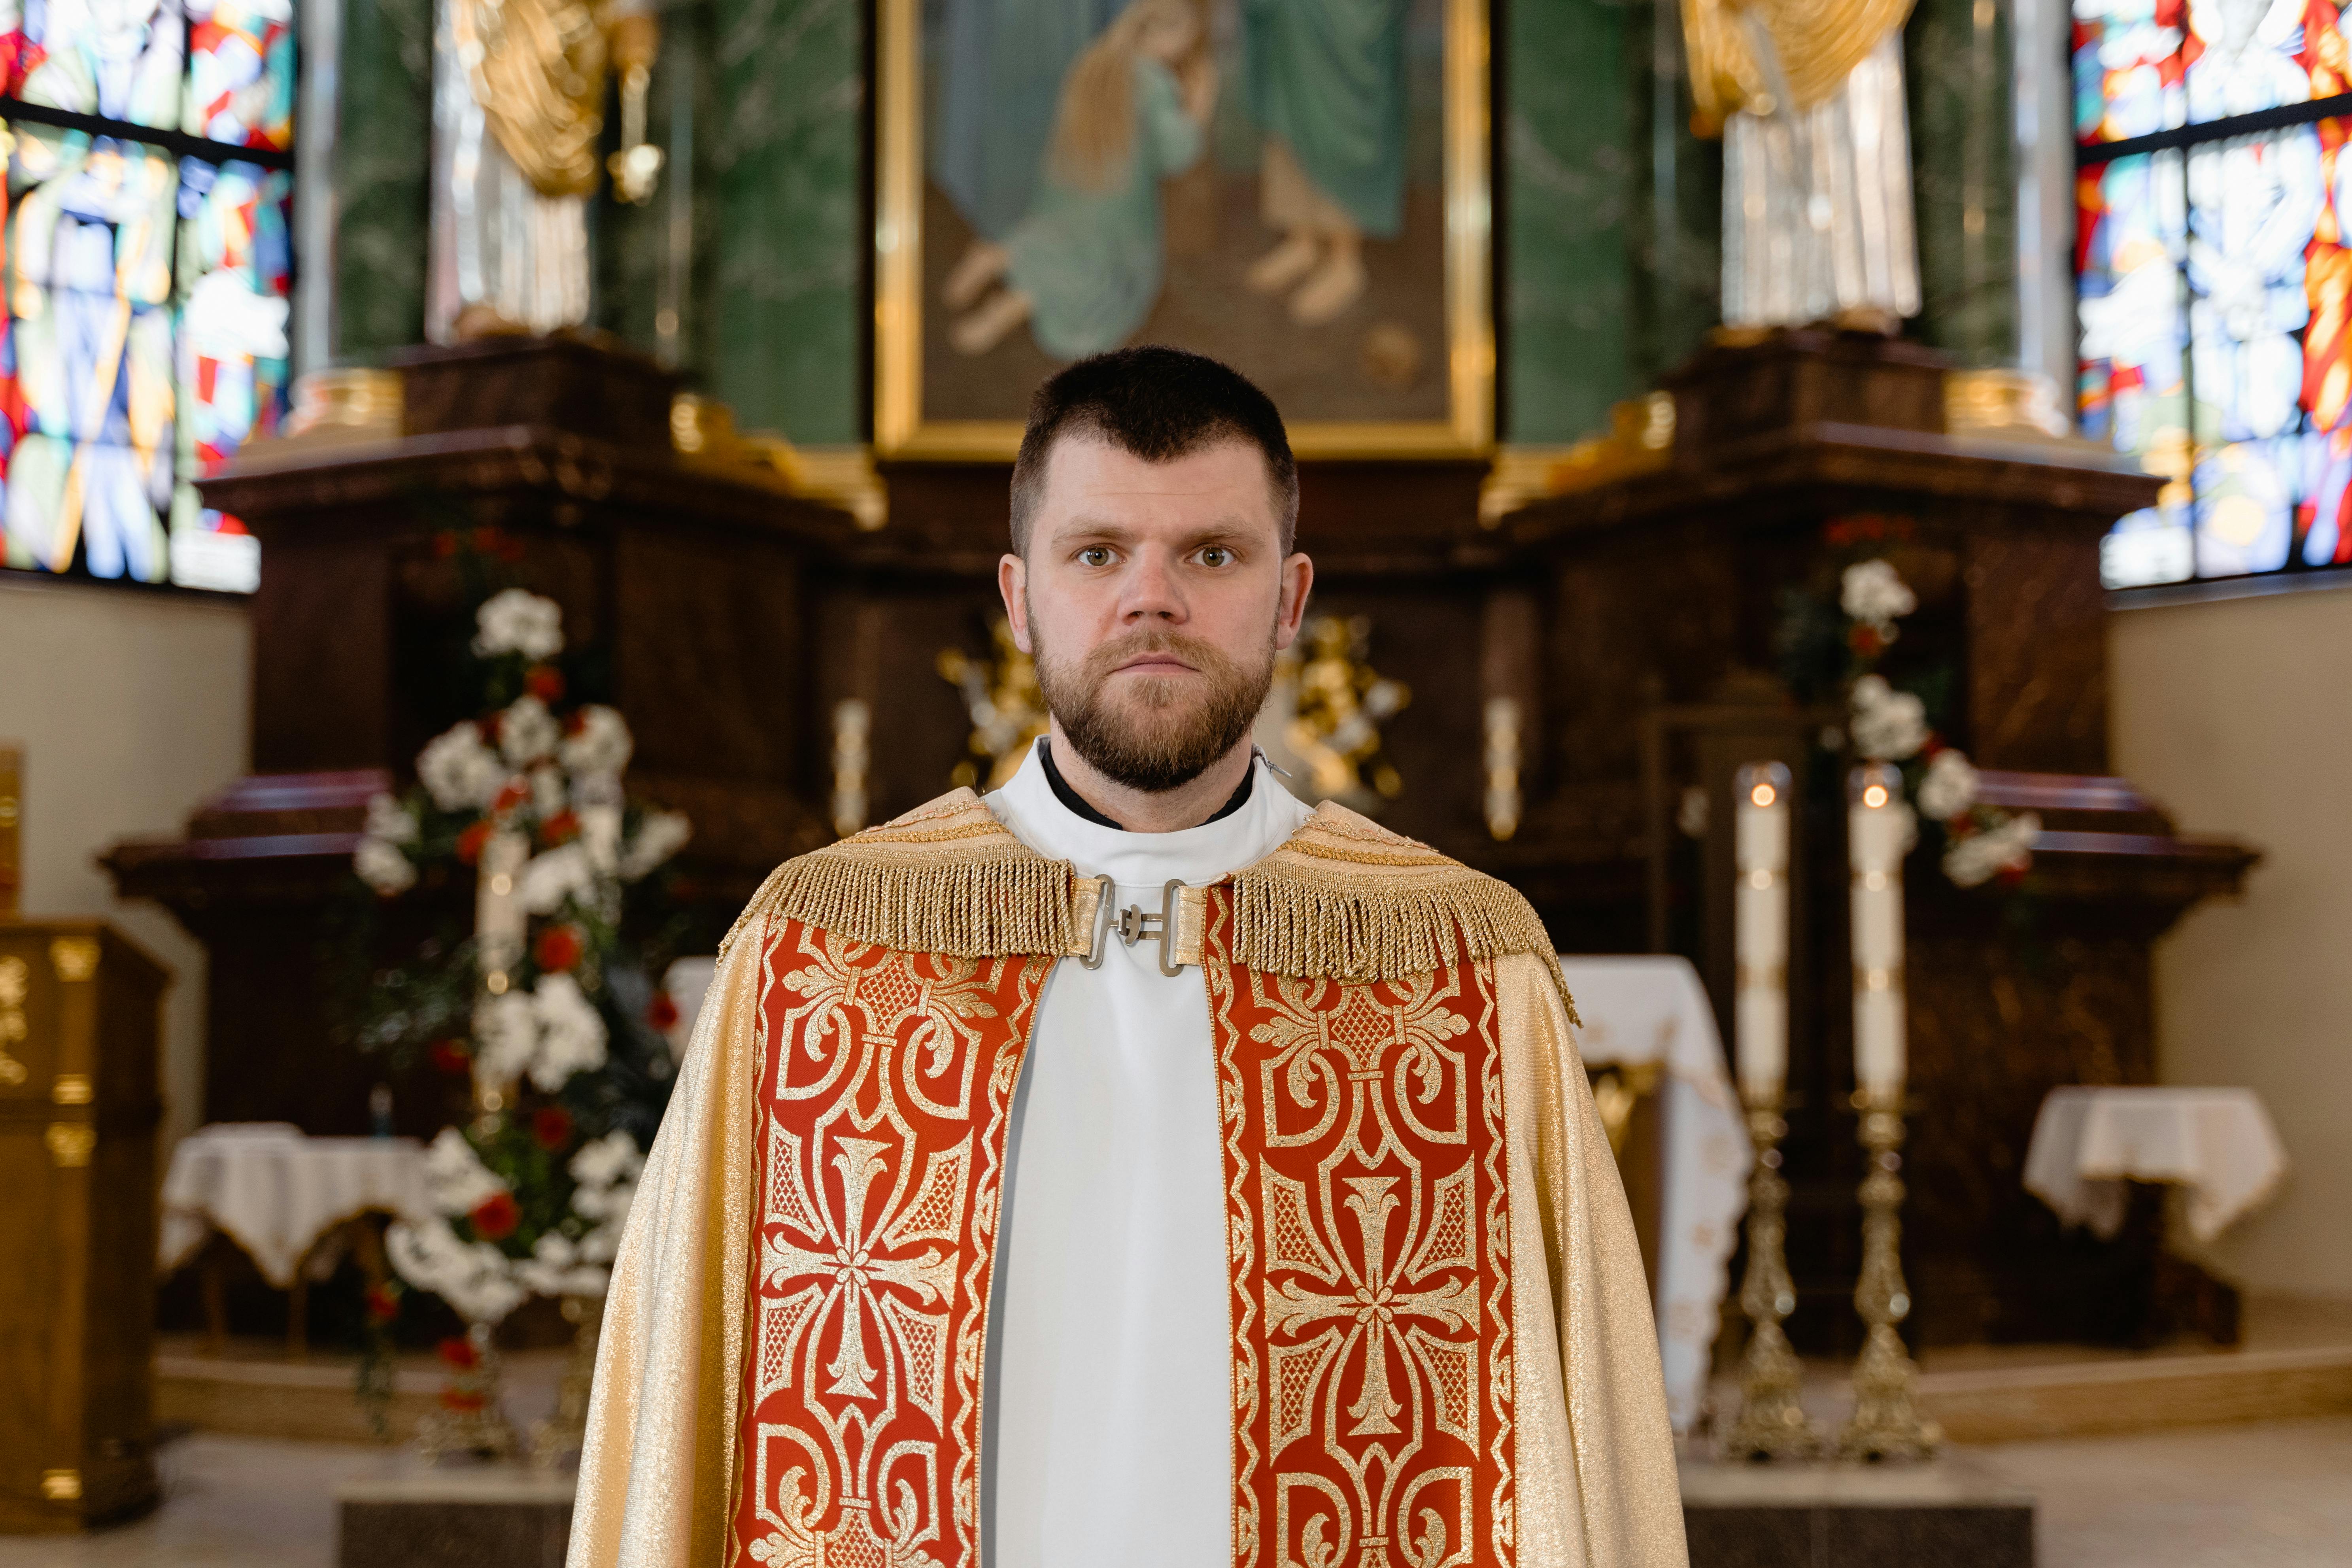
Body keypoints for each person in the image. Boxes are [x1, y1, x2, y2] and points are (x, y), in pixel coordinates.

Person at [567, 346, 1687, 1568]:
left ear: (1291, 595)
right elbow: (679, 1413)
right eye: (1097, 553)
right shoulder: (819, 952)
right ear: (1019, 595)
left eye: (1212, 554)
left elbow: (1586, 1463)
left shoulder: (1462, 972)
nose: (1152, 598)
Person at [941, 0, 1215, 358]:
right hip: (1114, 207)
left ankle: (998, 255)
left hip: (1067, 190)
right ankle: (998, 315)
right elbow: (1174, 157)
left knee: (1054, 240)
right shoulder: (1153, 82)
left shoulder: (1097, 61)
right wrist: (1199, 109)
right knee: (1090, 279)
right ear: (1171, 34)